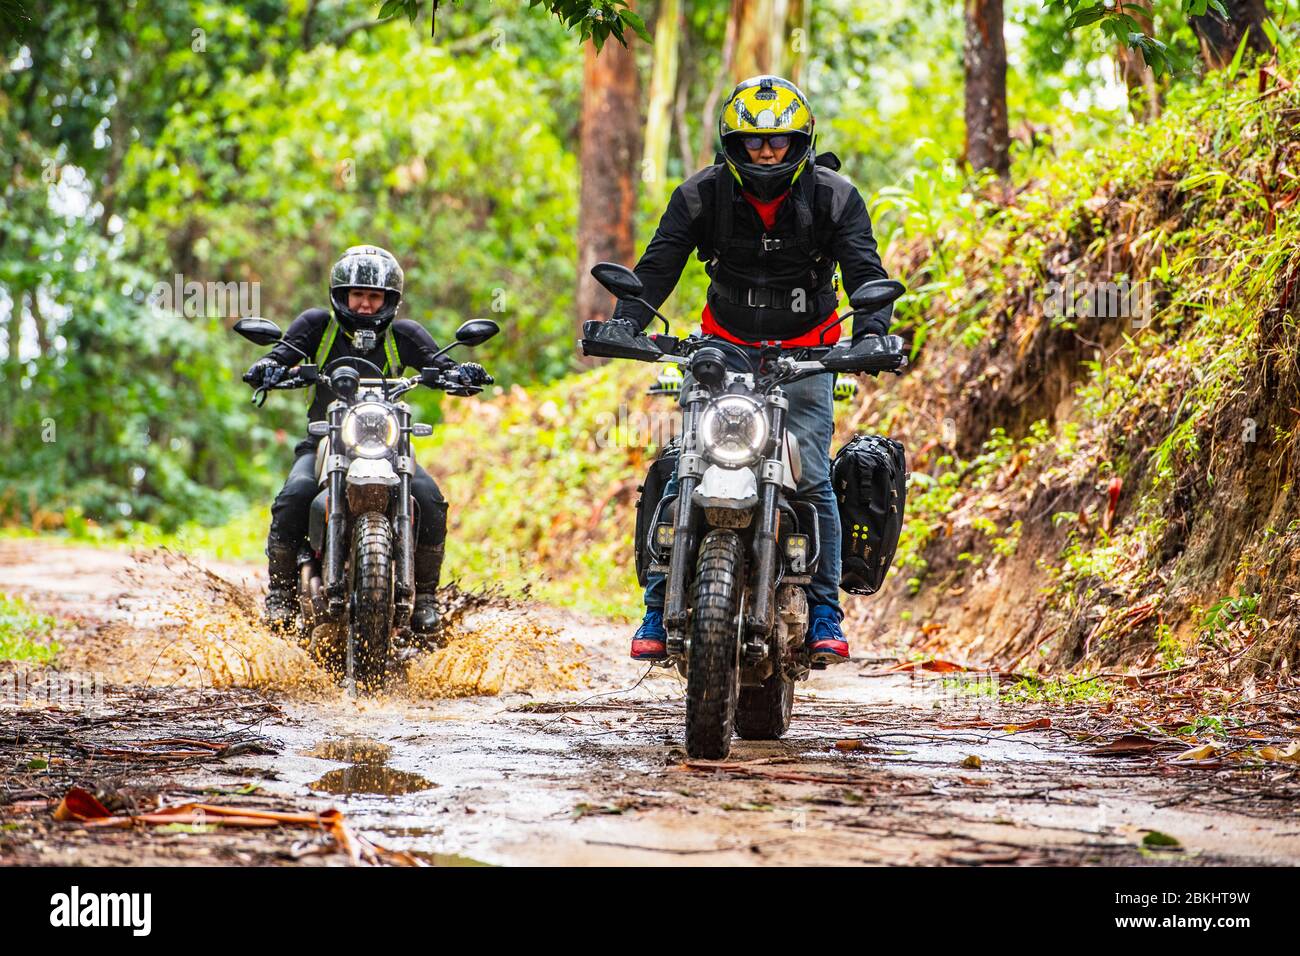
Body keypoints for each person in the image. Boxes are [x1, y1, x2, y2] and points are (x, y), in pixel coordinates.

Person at [592, 75, 895, 665]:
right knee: (684, 463)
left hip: (808, 351)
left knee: (808, 478)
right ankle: (658, 604)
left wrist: (873, 335)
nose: (766, 152)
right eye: (754, 141)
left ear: (799, 139)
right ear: (732, 143)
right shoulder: (700, 195)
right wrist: (627, 323)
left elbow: (864, 271)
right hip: (721, 348)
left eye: (778, 140)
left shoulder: (835, 198)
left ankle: (825, 610)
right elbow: (657, 267)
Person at [242, 245, 491, 633]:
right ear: (341, 295)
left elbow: (440, 363)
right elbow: (283, 352)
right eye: (357, 294)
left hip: (390, 446)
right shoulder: (316, 326)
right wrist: (268, 367)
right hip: (326, 441)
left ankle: (425, 597)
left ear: (389, 300)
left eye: (374, 296)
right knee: (295, 495)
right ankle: (281, 595)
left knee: (430, 499)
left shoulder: (402, 334)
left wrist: (463, 373)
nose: (364, 304)